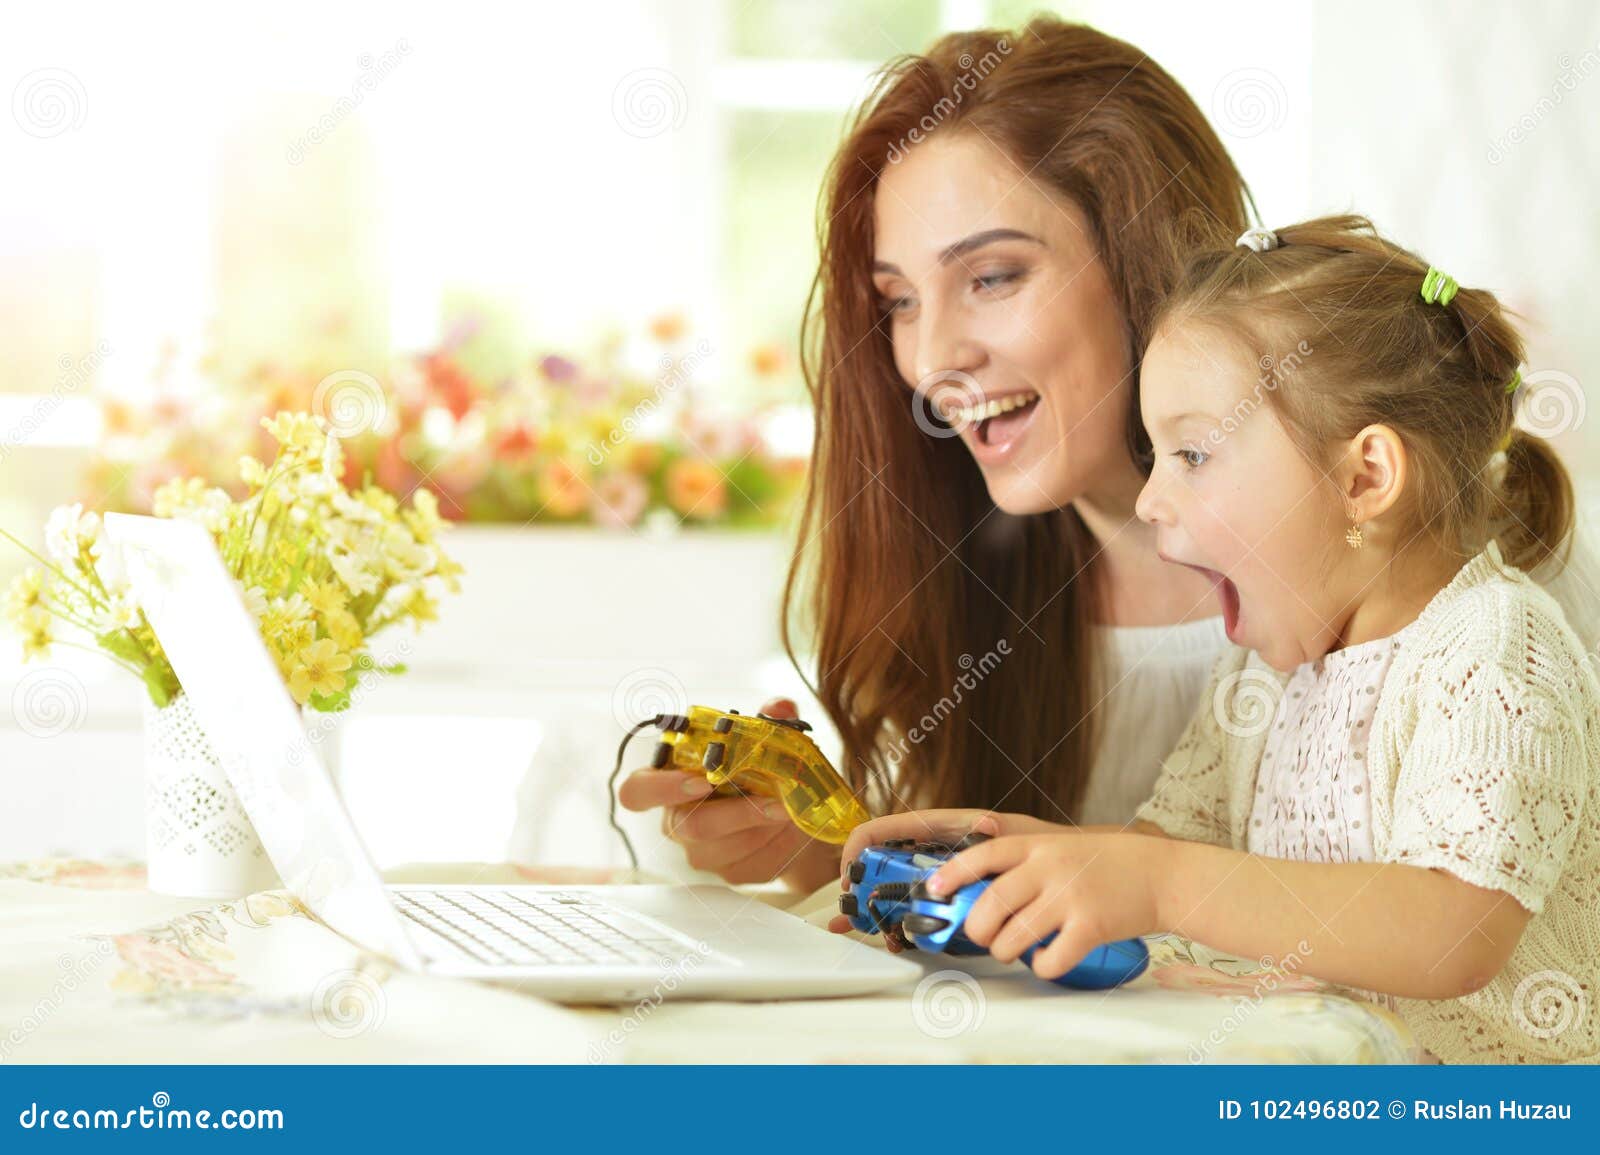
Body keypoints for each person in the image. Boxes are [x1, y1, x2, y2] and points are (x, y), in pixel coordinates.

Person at [837, 217, 1600, 1064]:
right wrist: (1019, 857)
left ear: (1364, 478)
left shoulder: (1497, 646)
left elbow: (1452, 928)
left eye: (1192, 453)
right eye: (1156, 453)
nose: (1153, 497)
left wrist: (1161, 887)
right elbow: (1174, 845)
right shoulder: (1265, 673)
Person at [618, 16, 1253, 891]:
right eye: (901, 301)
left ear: (1154, 258)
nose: (931, 358)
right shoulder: (985, 592)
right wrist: (820, 849)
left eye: (991, 277)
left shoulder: (1374, 588)